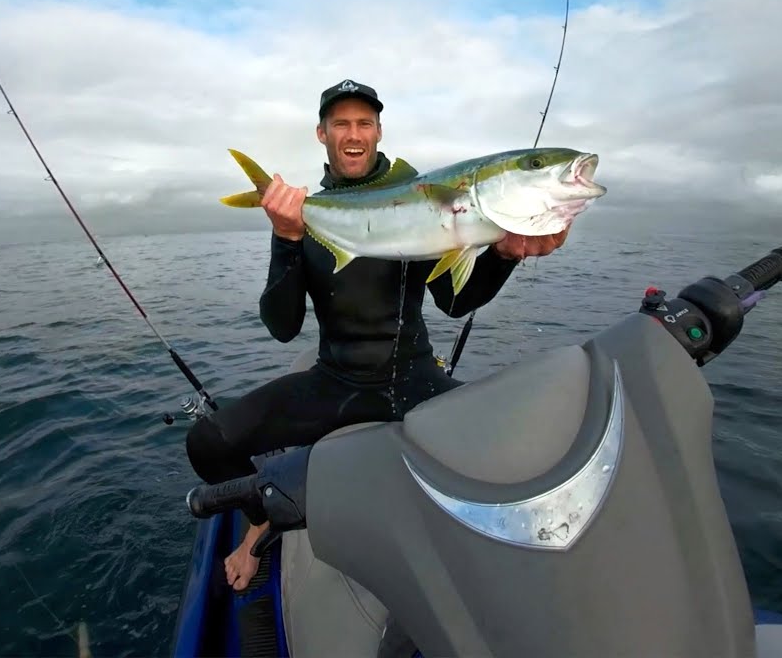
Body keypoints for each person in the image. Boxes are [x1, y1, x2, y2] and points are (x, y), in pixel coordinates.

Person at [186, 78, 571, 591]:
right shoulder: (310, 214)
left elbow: (456, 304)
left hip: (413, 378)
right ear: (321, 134)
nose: (353, 133)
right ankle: (261, 519)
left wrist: (501, 256)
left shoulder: (420, 199)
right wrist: (285, 238)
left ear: (378, 131)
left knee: (519, 456)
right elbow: (282, 328)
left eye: (364, 122)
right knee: (207, 442)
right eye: (341, 123)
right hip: (334, 381)